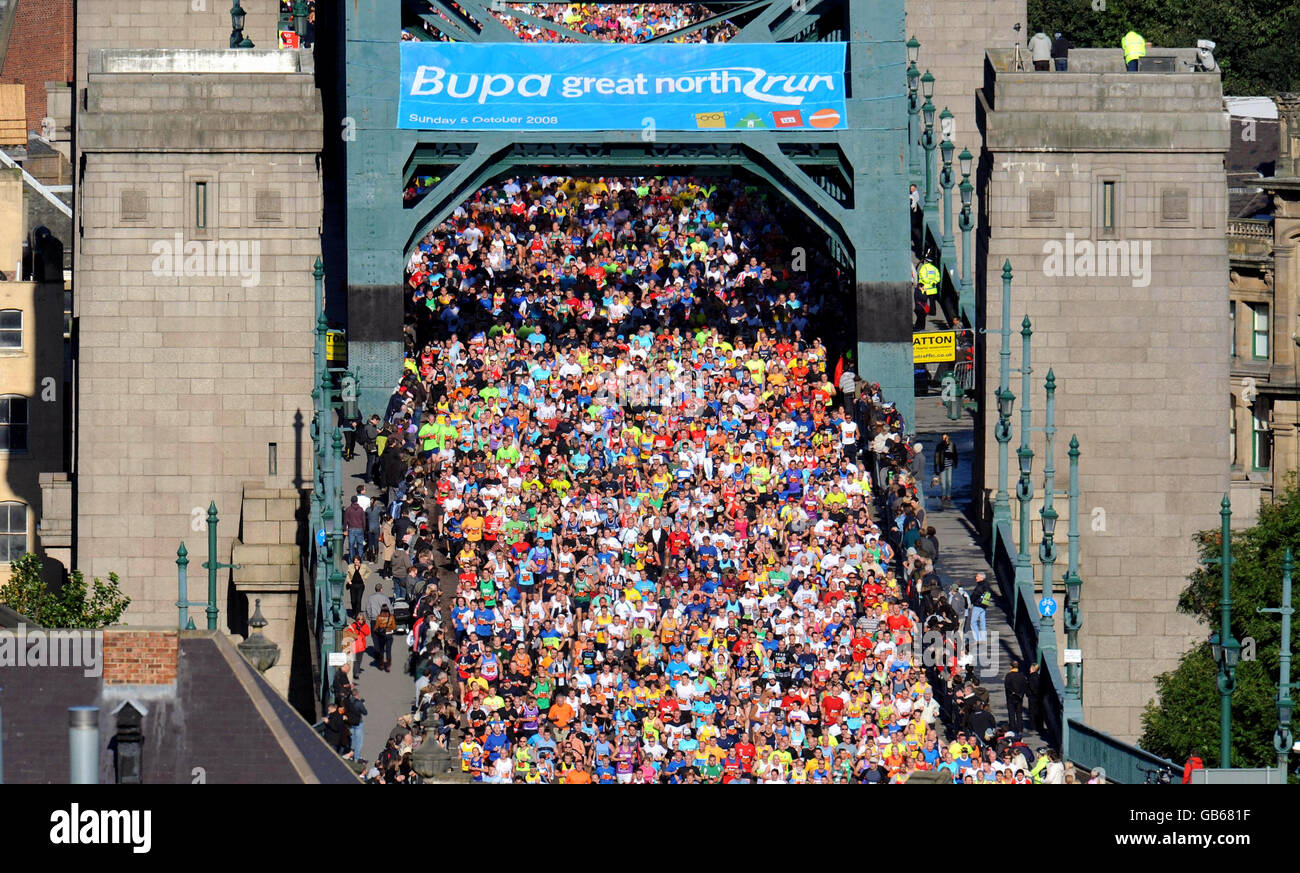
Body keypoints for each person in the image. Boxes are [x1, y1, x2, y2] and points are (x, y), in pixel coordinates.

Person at [933, 433, 958, 507]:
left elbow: (955, 454)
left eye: (946, 437)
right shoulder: (940, 446)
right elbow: (936, 456)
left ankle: (949, 495)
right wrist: (935, 467)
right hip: (942, 465)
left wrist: (955, 462)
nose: (944, 439)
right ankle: (943, 495)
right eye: (943, 438)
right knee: (943, 481)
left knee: (949, 481)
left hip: (949, 465)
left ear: (948, 438)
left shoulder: (952, 445)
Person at [1004, 660, 1028, 734]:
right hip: (1019, 697)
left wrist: (1012, 692)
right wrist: (1021, 693)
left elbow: (1007, 686)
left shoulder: (1008, 676)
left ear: (1011, 667)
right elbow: (1025, 686)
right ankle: (1020, 728)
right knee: (1019, 713)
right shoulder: (1022, 676)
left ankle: (1012, 728)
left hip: (1011, 697)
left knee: (1011, 713)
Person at [373, 603, 398, 672]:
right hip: (389, 635)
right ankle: (388, 666)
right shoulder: (391, 617)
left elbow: (375, 628)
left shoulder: (379, 617)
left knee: (381, 650)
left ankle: (381, 664)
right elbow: (394, 627)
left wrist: (377, 631)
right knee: (388, 650)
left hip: (381, 635)